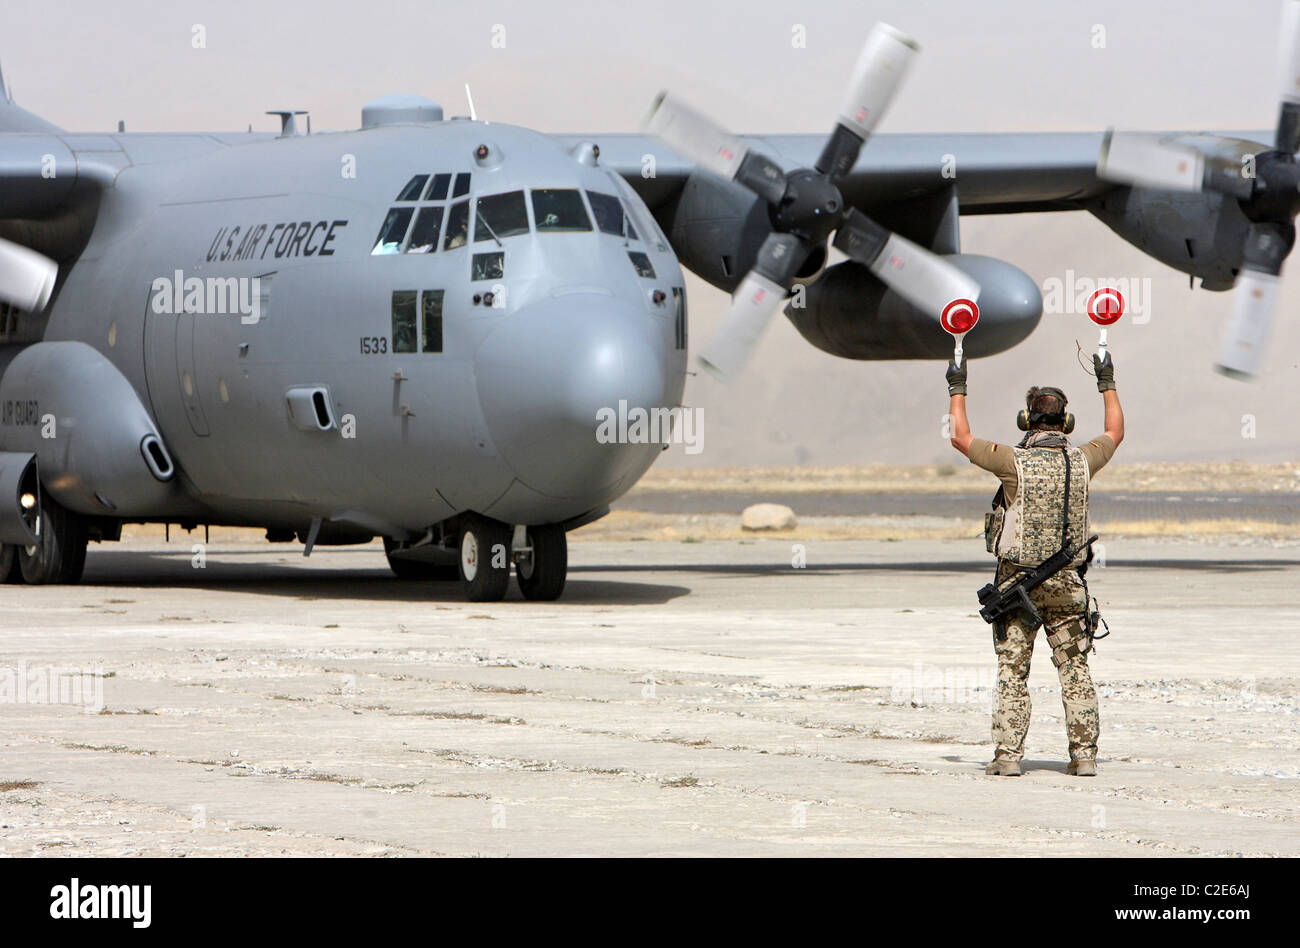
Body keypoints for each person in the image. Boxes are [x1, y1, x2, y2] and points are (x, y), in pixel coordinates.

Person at [945, 353, 1124, 777]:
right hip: (1067, 586)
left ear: (1027, 420)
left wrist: (957, 386)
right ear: (1068, 422)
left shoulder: (1011, 462)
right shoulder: (1084, 460)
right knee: (1075, 668)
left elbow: (959, 436)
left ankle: (1008, 758)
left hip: (1017, 587)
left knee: (1012, 671)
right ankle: (1084, 757)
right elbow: (1116, 430)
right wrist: (1107, 380)